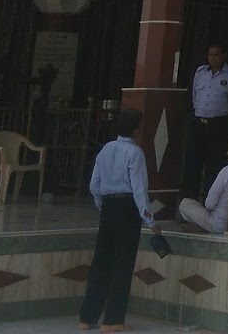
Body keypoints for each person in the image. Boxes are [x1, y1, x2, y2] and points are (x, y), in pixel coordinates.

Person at [80, 109, 161, 333]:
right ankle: (113, 319)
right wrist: (150, 220)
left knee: (101, 261)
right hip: (127, 209)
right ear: (136, 130)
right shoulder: (135, 153)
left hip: (108, 207)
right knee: (122, 264)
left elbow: (94, 185)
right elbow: (139, 191)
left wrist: (102, 204)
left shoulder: (106, 149)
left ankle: (87, 316)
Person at [182, 44, 228, 201]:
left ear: (224, 56)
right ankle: (188, 204)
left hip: (220, 123)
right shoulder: (201, 72)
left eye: (216, 55)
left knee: (215, 165)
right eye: (210, 55)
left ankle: (209, 202)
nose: (213, 58)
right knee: (192, 163)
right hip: (199, 121)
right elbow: (195, 95)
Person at [178, 138, 228, 234]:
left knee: (184, 203)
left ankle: (200, 226)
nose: (227, 153)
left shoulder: (227, 171)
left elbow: (210, 204)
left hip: (219, 224)